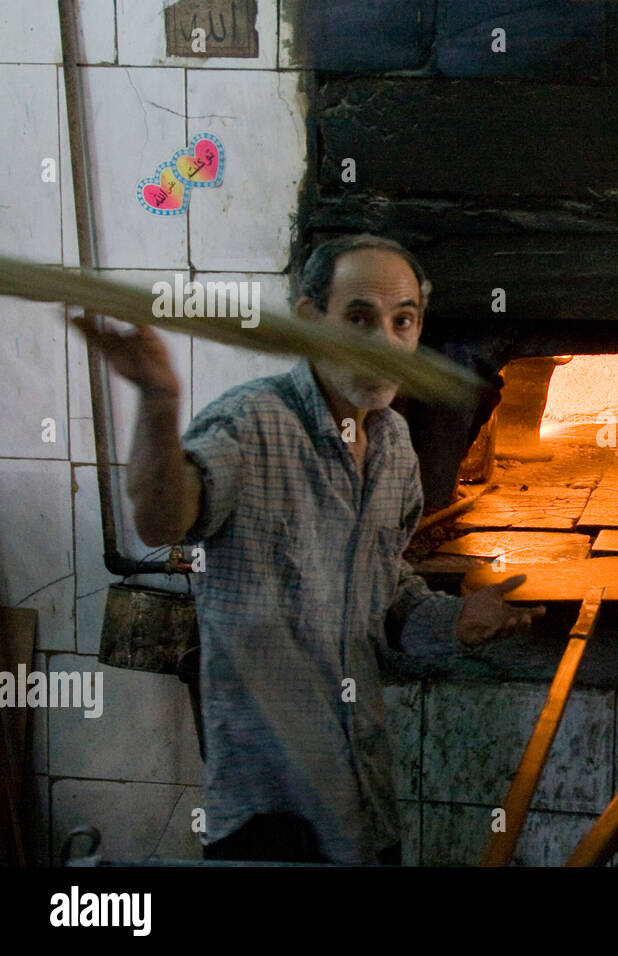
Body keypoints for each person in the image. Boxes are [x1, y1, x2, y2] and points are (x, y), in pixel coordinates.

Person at [74, 234, 541, 863]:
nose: (382, 340)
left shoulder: (397, 446)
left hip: (363, 798)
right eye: (358, 319)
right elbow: (164, 521)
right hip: (269, 811)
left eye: (401, 321)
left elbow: (388, 590)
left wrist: (454, 621)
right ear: (307, 320)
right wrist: (158, 400)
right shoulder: (250, 423)